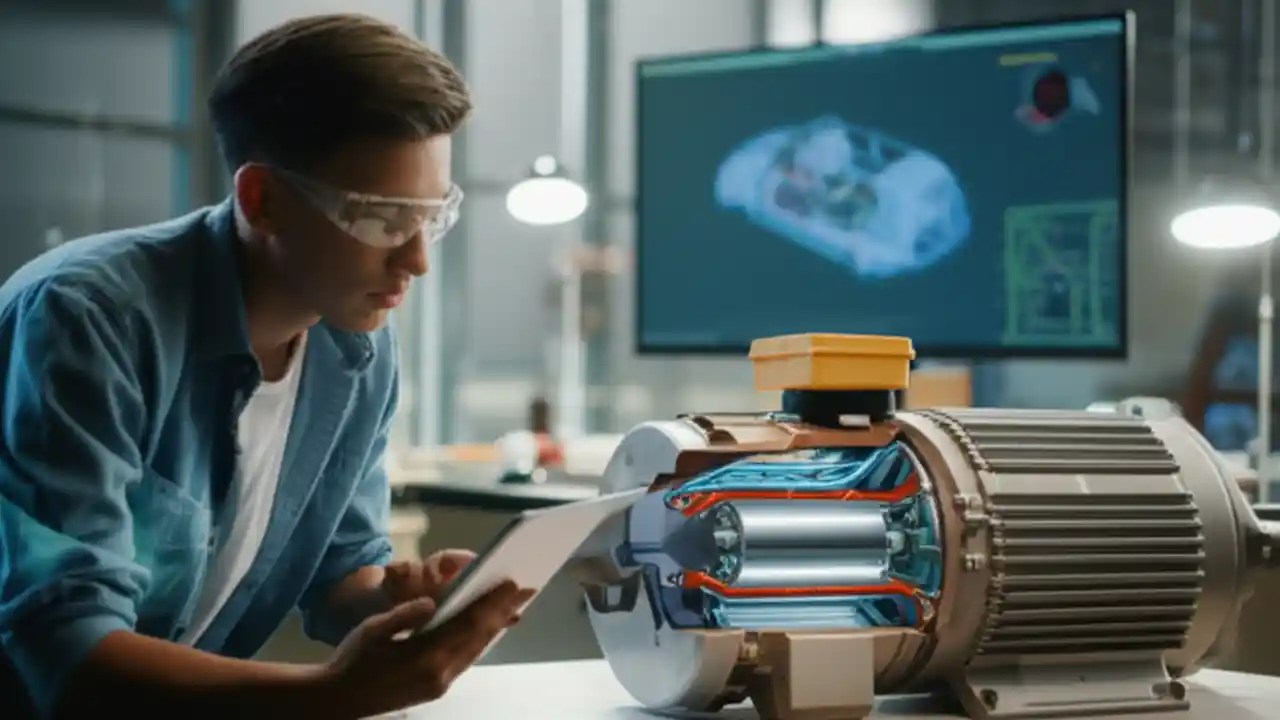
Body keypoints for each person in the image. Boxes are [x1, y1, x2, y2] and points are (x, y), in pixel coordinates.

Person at [0, 13, 533, 719]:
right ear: (263, 200)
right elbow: (64, 650)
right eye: (381, 218)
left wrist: (400, 601)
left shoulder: (356, 343)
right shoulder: (87, 318)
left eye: (432, 216)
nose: (417, 260)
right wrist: (330, 695)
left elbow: (341, 574)